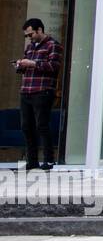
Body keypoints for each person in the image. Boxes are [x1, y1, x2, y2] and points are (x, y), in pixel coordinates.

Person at [14, 18, 62, 171]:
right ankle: (32, 162)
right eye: (27, 36)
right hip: (26, 90)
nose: (29, 38)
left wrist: (33, 63)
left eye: (31, 34)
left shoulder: (53, 45)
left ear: (40, 30)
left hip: (42, 90)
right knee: (26, 127)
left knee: (42, 125)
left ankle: (49, 161)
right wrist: (19, 65)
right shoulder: (29, 47)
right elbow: (24, 69)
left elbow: (54, 66)